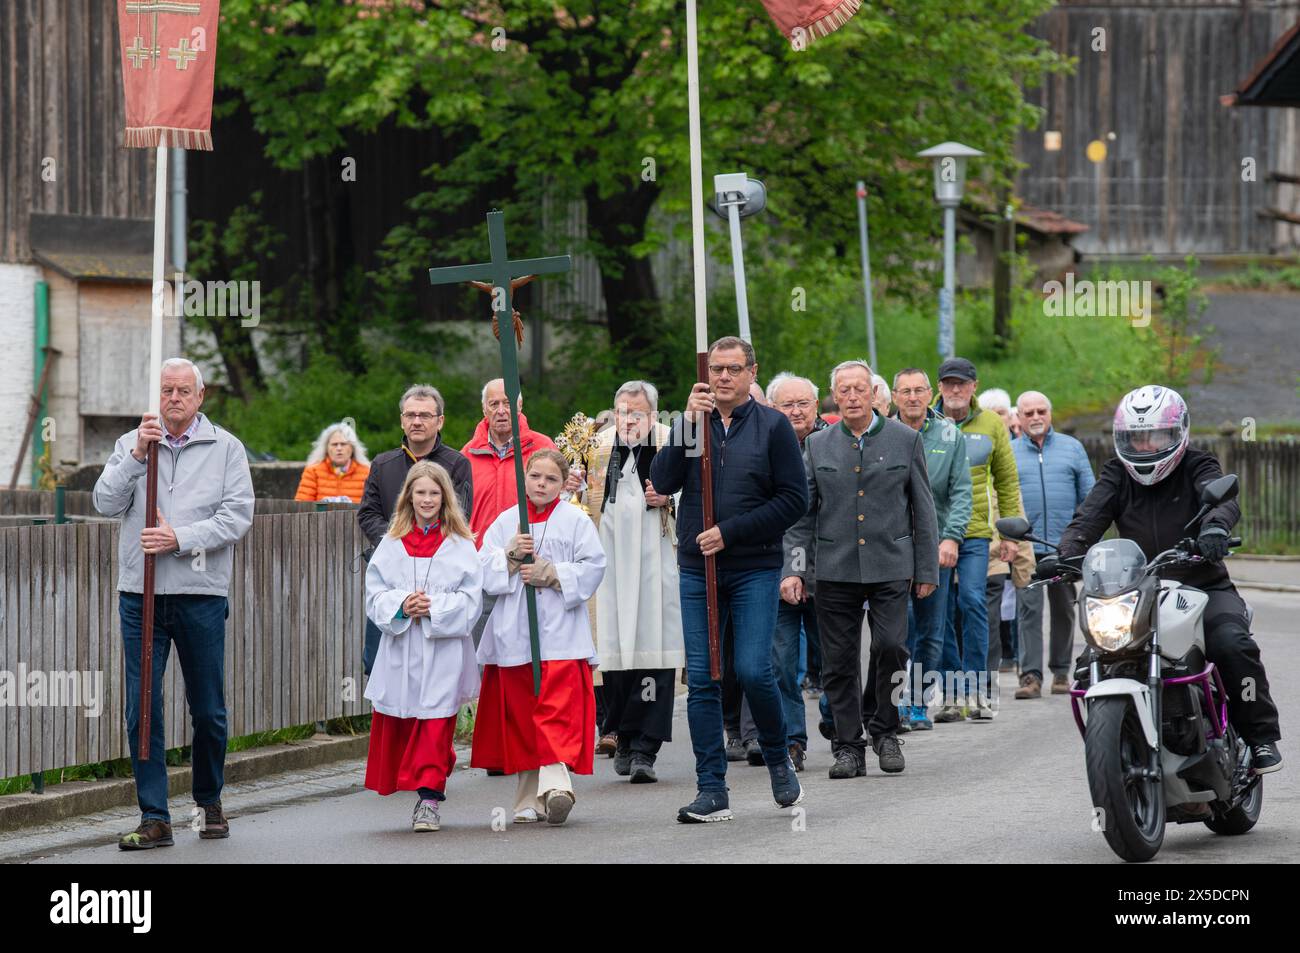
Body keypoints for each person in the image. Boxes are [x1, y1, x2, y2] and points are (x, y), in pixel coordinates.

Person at [1057, 385, 1281, 774]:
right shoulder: (1115, 474)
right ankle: (1116, 749)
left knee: (1232, 644)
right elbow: (1088, 518)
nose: (1145, 446)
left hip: (1202, 585)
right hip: (1138, 590)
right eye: (1136, 437)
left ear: (1178, 433)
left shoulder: (1199, 465)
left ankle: (1260, 738)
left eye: (1155, 435)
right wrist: (1066, 554)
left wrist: (1214, 530)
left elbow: (1223, 500)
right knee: (1091, 659)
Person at [93, 358, 254, 850]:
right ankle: (154, 815)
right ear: (157, 395)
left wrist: (179, 537)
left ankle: (209, 802)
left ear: (200, 396)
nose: (175, 398)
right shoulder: (133, 443)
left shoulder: (225, 448)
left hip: (200, 594)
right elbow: (104, 503)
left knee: (207, 709)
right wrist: (137, 456)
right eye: (166, 390)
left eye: (184, 390)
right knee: (144, 708)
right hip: (139, 596)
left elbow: (237, 516)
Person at [650, 336, 808, 823]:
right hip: (698, 569)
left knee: (753, 670)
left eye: (733, 369)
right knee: (702, 679)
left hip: (754, 567)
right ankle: (711, 788)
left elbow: (793, 500)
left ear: (751, 372)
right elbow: (662, 481)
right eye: (716, 369)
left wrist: (731, 532)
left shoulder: (773, 427)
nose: (722, 377)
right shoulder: (690, 425)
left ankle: (779, 758)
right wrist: (682, 425)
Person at [785, 360, 939, 778]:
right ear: (834, 397)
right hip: (833, 568)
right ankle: (848, 746)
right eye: (843, 390)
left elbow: (922, 509)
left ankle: (885, 730)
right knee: (838, 662)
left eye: (859, 389)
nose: (852, 397)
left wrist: (926, 569)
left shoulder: (905, 439)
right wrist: (794, 569)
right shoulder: (818, 445)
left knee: (891, 647)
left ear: (873, 394)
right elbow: (802, 517)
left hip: (891, 563)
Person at [471, 450, 607, 823]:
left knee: (555, 708)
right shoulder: (506, 521)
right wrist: (511, 558)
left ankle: (558, 784)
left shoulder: (575, 521)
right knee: (524, 714)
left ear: (563, 485)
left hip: (560, 631)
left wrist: (552, 573)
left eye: (550, 480)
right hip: (515, 632)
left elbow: (594, 565)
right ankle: (529, 797)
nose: (541, 485)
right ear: (524, 478)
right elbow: (482, 569)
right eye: (535, 477)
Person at [363, 462, 482, 832]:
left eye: (434, 493)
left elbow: (471, 600)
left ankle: (429, 800)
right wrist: (401, 605)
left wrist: (435, 607)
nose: (427, 500)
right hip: (402, 647)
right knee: (406, 718)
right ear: (409, 497)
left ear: (445, 497)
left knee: (435, 722)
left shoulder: (461, 544)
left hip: (442, 647)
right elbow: (375, 592)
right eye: (421, 493)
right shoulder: (392, 542)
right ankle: (422, 778)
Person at [584, 380, 682, 784]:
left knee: (652, 649)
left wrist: (669, 499)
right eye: (622, 412)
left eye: (637, 414)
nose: (629, 421)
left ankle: (645, 748)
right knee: (612, 652)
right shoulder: (597, 447)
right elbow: (580, 502)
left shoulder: (673, 442)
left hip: (655, 556)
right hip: (609, 559)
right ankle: (621, 734)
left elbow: (697, 494)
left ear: (653, 413)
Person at [358, 385, 473, 676]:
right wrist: (398, 545)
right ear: (401, 420)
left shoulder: (456, 464)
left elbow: (459, 515)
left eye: (424, 415)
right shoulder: (383, 465)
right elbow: (368, 513)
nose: (417, 421)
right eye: (410, 415)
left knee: (434, 667)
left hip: (438, 579)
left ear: (440, 420)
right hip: (392, 576)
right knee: (379, 662)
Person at [932, 357, 1021, 723]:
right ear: (939, 387)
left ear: (974, 386)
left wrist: (1010, 533)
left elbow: (1007, 480)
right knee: (940, 611)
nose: (955, 390)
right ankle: (953, 694)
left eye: (962, 383)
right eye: (949, 383)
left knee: (972, 602)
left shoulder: (991, 424)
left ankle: (980, 691)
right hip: (934, 534)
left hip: (975, 533)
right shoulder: (926, 423)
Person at [891, 368, 971, 732]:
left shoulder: (951, 436)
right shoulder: (881, 434)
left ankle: (918, 703)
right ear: (894, 397)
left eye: (918, 390)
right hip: (891, 548)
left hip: (934, 548)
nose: (911, 397)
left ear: (929, 395)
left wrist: (951, 538)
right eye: (904, 391)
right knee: (894, 631)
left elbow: (960, 492)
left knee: (930, 630)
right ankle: (892, 704)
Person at [1011, 390, 1095, 698]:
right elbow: (1005, 498)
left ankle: (1061, 672)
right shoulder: (1008, 452)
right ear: (1018, 418)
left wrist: (1082, 538)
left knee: (1064, 608)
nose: (1035, 417)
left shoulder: (1073, 449)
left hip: (1064, 545)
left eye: (1041, 411)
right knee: (1028, 611)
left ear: (1050, 414)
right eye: (1029, 412)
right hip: (1026, 545)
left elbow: (1090, 498)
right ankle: (1030, 677)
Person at [769, 372, 829, 770]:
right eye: (786, 405)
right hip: (776, 569)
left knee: (833, 660)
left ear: (817, 406)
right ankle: (792, 739)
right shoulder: (764, 445)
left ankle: (837, 720)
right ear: (773, 409)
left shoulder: (834, 443)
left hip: (829, 571)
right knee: (780, 662)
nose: (795, 411)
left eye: (803, 403)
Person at [461, 378, 563, 543]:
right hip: (480, 558)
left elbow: (561, 500)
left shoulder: (543, 447)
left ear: (520, 406)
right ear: (484, 409)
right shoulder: (467, 455)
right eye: (494, 404)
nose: (501, 411)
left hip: (531, 554)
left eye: (507, 403)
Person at [295, 421, 371, 503]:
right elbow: (301, 506)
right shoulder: (313, 471)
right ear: (326, 448)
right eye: (334, 444)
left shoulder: (367, 473)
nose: (339, 448)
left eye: (343, 444)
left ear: (352, 447)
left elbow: (373, 508)